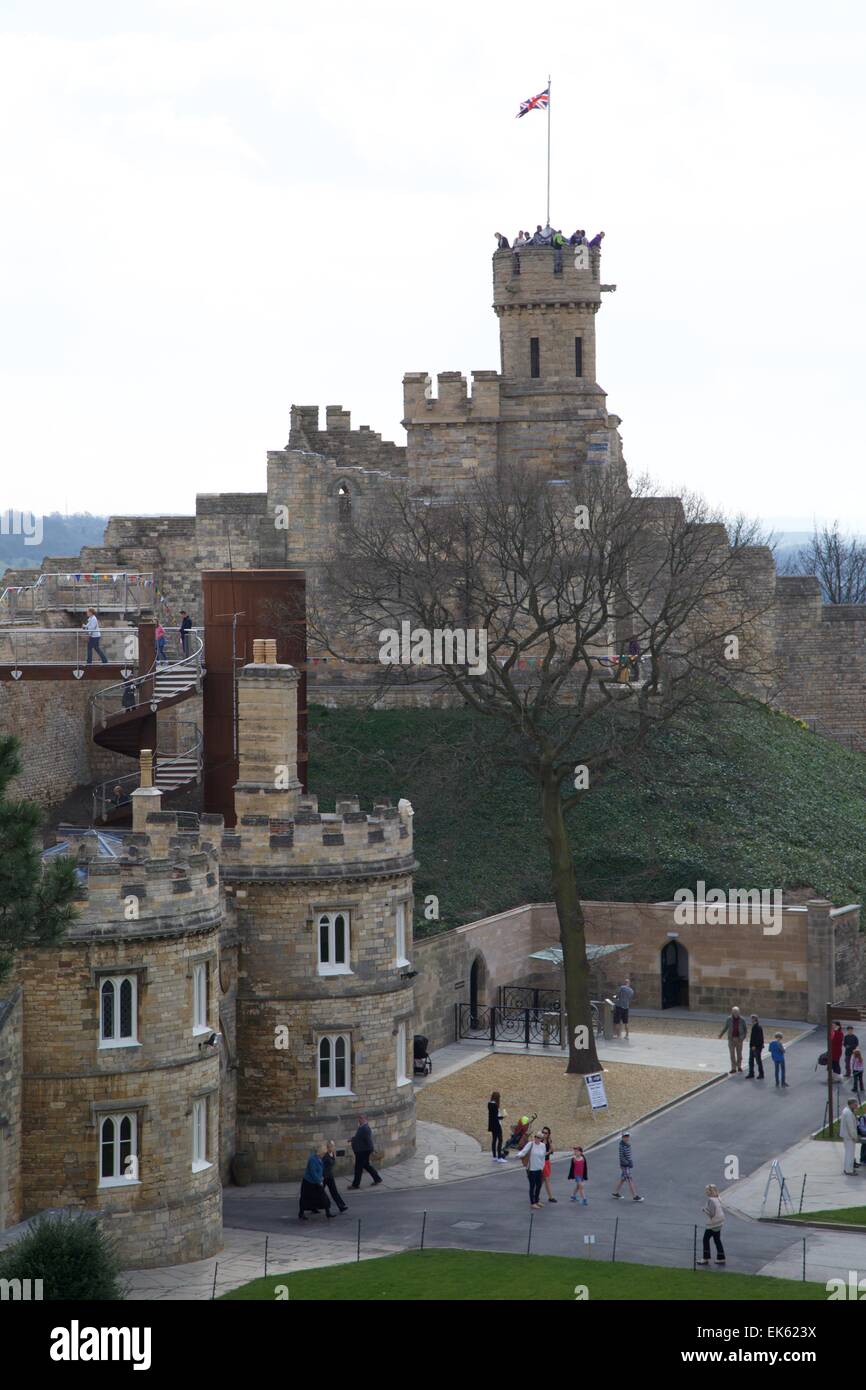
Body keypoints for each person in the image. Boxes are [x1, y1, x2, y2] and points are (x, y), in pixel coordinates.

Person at [298, 1148, 335, 1220]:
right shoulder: (312, 1160)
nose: (324, 1155)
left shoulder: (320, 1159)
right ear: (319, 1153)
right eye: (323, 1154)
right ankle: (301, 1213)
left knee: (323, 1196)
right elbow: (313, 1173)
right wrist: (319, 1181)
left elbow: (323, 1168)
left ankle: (328, 1213)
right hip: (308, 1182)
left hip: (317, 1181)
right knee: (305, 1198)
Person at [349, 1114, 383, 1189]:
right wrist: (352, 1139)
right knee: (366, 1165)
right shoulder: (361, 1127)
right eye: (359, 1118)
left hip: (362, 1152)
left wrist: (371, 1150)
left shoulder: (365, 1128)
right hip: (360, 1151)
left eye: (361, 1118)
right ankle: (377, 1178)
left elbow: (368, 1141)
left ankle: (355, 1185)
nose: (359, 1119)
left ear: (365, 1119)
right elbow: (359, 1137)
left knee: (358, 1168)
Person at [696, 1185, 726, 1266]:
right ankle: (721, 1257)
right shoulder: (718, 1198)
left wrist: (704, 1210)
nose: (706, 1193)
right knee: (717, 1240)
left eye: (706, 1191)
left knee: (705, 1239)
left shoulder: (711, 1200)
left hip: (713, 1224)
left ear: (709, 1192)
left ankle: (705, 1258)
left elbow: (712, 1214)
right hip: (720, 1222)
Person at [517, 1131, 547, 1208]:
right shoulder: (530, 1144)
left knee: (539, 1186)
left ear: (541, 1139)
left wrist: (542, 1167)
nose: (536, 1139)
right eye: (536, 1137)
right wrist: (518, 1155)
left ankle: (537, 1200)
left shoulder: (543, 1146)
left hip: (539, 1168)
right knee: (532, 1186)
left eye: (539, 1138)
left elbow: (543, 1157)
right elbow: (524, 1151)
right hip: (531, 1169)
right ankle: (532, 1203)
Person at [612, 1132, 644, 1200]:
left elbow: (628, 1155)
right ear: (622, 1137)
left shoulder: (627, 1145)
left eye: (627, 1136)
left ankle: (615, 1193)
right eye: (625, 1137)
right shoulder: (622, 1146)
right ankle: (635, 1196)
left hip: (627, 1165)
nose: (627, 1138)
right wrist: (628, 1163)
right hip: (625, 1165)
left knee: (623, 1179)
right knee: (630, 1179)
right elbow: (621, 1157)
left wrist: (630, 1162)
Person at [719, 1006, 748, 1073]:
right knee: (732, 1054)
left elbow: (745, 1030)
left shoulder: (742, 1020)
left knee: (739, 1054)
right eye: (734, 1012)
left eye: (737, 1012)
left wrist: (742, 1038)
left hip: (739, 1039)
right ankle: (733, 1068)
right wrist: (721, 1034)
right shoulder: (729, 1019)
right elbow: (726, 1027)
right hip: (731, 1039)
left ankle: (739, 1066)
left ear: (739, 1012)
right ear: (732, 1012)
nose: (735, 1013)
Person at [322, 1140, 347, 1213]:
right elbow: (322, 1166)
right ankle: (312, 1207)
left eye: (333, 1146)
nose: (333, 1147)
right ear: (328, 1147)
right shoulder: (325, 1155)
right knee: (318, 1192)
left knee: (334, 1192)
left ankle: (341, 1206)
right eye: (332, 1146)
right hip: (323, 1177)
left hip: (329, 1176)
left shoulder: (332, 1153)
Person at [841, 1098, 860, 1176]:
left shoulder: (847, 1111)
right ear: (851, 1104)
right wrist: (855, 1137)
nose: (857, 1106)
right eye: (855, 1104)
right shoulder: (848, 1113)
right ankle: (849, 1170)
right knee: (850, 1154)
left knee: (848, 1153)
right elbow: (851, 1127)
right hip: (849, 1137)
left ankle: (847, 1169)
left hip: (847, 1136)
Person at [540, 1126, 557, 1202]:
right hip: (541, 1162)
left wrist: (550, 1143)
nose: (544, 1134)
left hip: (547, 1162)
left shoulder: (549, 1141)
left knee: (542, 1180)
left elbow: (553, 1150)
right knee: (546, 1179)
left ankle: (535, 1194)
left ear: (548, 1134)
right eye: (543, 1132)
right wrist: (549, 1151)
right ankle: (550, 1197)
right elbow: (543, 1154)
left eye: (545, 1133)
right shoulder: (539, 1141)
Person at [488, 1091, 506, 1161]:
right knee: (500, 1140)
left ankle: (494, 1156)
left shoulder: (489, 1104)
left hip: (492, 1125)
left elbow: (492, 1116)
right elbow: (496, 1117)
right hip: (497, 1124)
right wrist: (502, 1117)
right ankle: (499, 1157)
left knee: (494, 1140)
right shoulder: (495, 1105)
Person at [747, 1014, 765, 1079]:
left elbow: (759, 1038)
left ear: (755, 1019)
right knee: (751, 1060)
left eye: (752, 1019)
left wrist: (754, 1045)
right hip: (753, 1046)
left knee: (758, 1061)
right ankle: (751, 1073)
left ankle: (761, 1074)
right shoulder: (754, 1027)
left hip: (756, 1047)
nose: (751, 1020)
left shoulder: (758, 1027)